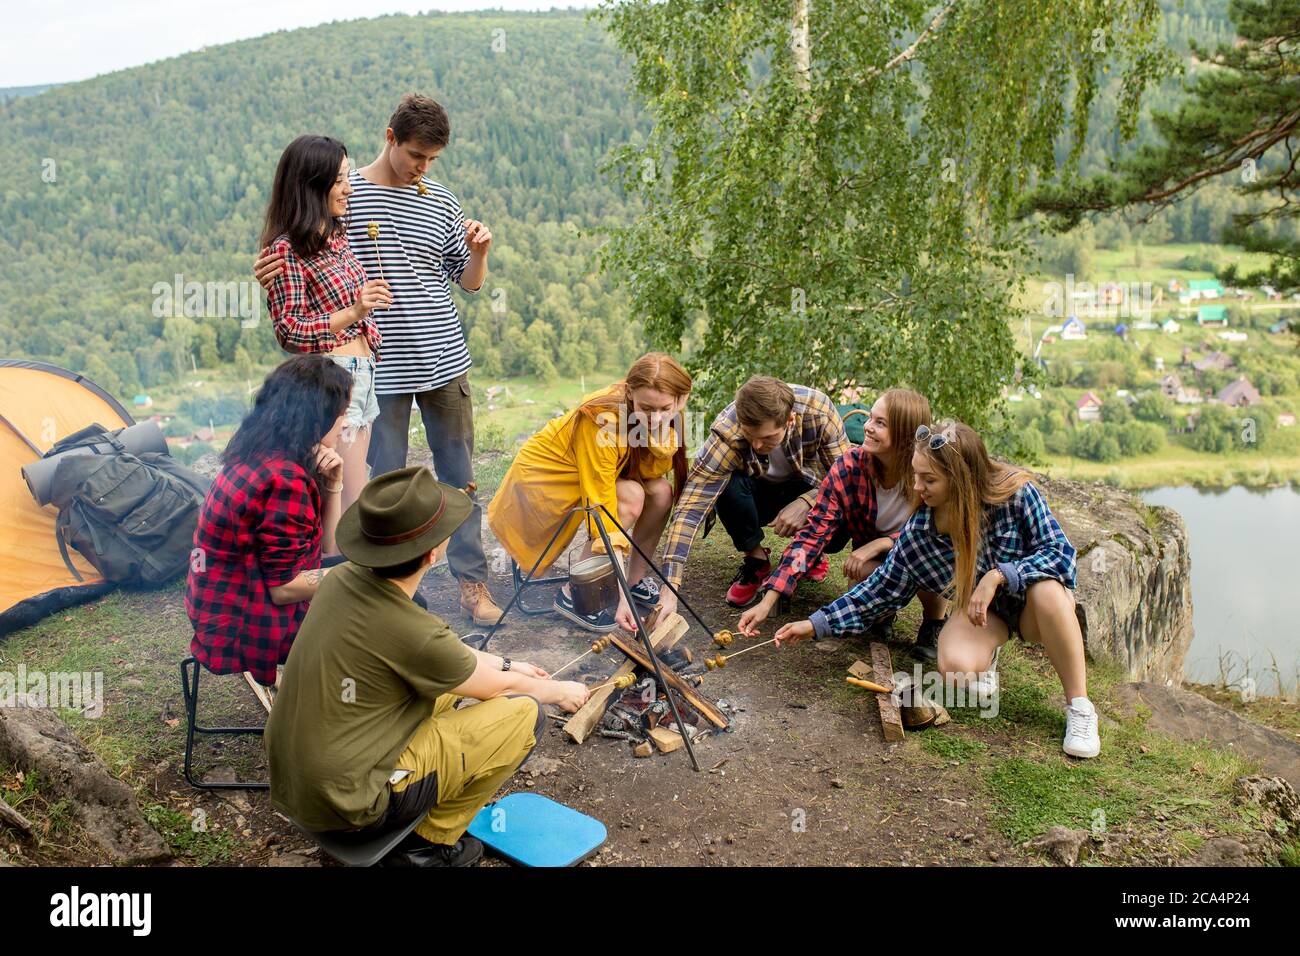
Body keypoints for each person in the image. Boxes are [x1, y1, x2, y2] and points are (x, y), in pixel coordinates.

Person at [255, 94, 503, 627]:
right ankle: (394, 589)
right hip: (374, 375)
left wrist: (480, 251)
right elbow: (298, 242)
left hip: (443, 359)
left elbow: (469, 282)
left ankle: (472, 586)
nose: (423, 167)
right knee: (380, 487)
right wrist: (266, 265)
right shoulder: (347, 196)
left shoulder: (441, 201)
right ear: (390, 136)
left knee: (460, 478)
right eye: (416, 154)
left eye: (432, 159)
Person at [264, 466, 590, 867]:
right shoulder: (412, 629)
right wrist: (560, 691)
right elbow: (494, 688)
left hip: (297, 784)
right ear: (433, 554)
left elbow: (448, 658)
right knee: (524, 713)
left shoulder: (340, 579)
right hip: (351, 803)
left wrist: (511, 663)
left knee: (448, 688)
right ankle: (427, 846)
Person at [773, 421, 1100, 759]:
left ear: (962, 479)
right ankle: (987, 657)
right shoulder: (921, 531)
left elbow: (1061, 556)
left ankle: (1079, 707)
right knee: (955, 670)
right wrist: (814, 625)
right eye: (916, 476)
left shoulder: (1016, 496)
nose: (917, 487)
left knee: (1048, 591)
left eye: (929, 480)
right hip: (983, 615)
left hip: (1035, 606)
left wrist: (999, 576)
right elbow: (878, 590)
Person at [487, 353, 691, 633]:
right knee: (631, 497)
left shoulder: (658, 413)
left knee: (661, 492)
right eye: (646, 408)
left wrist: (661, 427)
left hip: (591, 474)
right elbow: (601, 512)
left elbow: (654, 469)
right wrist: (619, 600)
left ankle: (634, 581)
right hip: (542, 484)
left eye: (665, 408)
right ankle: (574, 595)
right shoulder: (602, 421)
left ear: (681, 398)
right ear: (630, 393)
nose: (655, 418)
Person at [737, 388, 948, 657]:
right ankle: (883, 614)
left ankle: (933, 622)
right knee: (858, 575)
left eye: (880, 423)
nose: (868, 428)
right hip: (880, 561)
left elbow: (936, 536)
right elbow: (813, 535)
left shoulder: (927, 475)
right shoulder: (850, 466)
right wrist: (770, 599)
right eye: (871, 418)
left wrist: (882, 543)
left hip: (922, 557)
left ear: (906, 433)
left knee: (928, 568)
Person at [186, 355, 352, 687]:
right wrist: (365, 577)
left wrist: (332, 485)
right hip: (247, 627)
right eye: (341, 413)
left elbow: (324, 550)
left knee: (365, 578)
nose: (346, 422)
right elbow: (284, 589)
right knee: (389, 605)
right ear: (317, 419)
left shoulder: (259, 452)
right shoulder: (284, 480)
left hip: (219, 612)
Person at [260, 134, 392, 513]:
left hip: (362, 374)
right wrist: (354, 312)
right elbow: (289, 330)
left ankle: (341, 569)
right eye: (338, 181)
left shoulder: (337, 236)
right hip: (331, 381)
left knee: (356, 492)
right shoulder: (286, 250)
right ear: (310, 187)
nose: (348, 189)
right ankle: (334, 571)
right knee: (347, 501)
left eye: (347, 177)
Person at [657, 376, 851, 618]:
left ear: (789, 420)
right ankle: (757, 561)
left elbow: (846, 481)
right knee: (726, 485)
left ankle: (811, 551)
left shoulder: (819, 413)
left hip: (809, 487)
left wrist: (808, 502)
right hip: (758, 494)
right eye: (751, 436)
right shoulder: (728, 430)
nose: (758, 445)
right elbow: (690, 506)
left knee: (841, 523)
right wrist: (669, 589)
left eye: (769, 437)